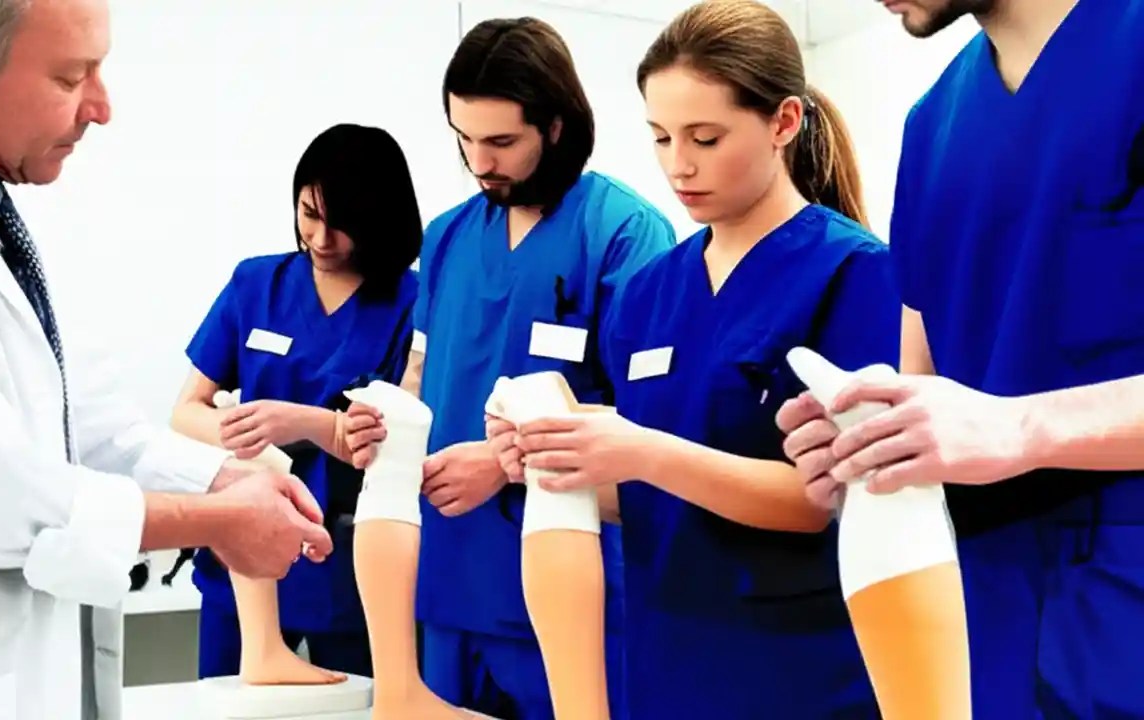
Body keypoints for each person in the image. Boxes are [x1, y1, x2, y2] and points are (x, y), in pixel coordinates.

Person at [0, 1, 331, 718]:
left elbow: (81, 421)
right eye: (71, 76)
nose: (103, 108)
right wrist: (216, 522)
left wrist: (220, 477)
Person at [487, 2, 899, 717]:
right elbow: (651, 495)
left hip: (797, 673)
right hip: (665, 662)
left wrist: (639, 450)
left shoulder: (852, 274)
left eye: (706, 138)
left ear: (784, 123)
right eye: (660, 137)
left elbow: (818, 501)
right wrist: (562, 456)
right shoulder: (650, 294)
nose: (679, 164)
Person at [775, 0, 1144, 716]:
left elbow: (996, 425)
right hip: (981, 611)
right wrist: (867, 444)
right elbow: (921, 379)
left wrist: (1018, 429)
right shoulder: (932, 125)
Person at [342, 16, 676, 720]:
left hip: (568, 589)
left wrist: (500, 461)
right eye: (464, 140)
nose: (479, 162)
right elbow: (420, 374)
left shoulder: (622, 234)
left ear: (555, 127)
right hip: (449, 582)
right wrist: (383, 423)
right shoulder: (449, 237)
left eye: (500, 142)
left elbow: (650, 426)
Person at [170, 122, 422, 684]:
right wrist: (248, 436)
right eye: (310, 214)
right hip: (241, 556)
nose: (322, 238)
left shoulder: (414, 303)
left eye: (343, 224)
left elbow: (404, 439)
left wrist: (308, 424)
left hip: (349, 568)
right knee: (231, 700)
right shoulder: (257, 283)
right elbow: (187, 411)